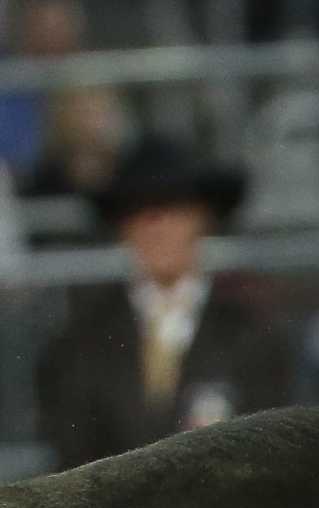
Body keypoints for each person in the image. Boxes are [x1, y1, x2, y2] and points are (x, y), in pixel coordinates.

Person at [35, 136, 295, 471]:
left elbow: (273, 458)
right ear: (122, 226)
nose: (158, 227)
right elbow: (70, 459)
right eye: (141, 211)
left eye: (174, 208)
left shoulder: (254, 335)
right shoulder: (79, 343)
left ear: (204, 219)